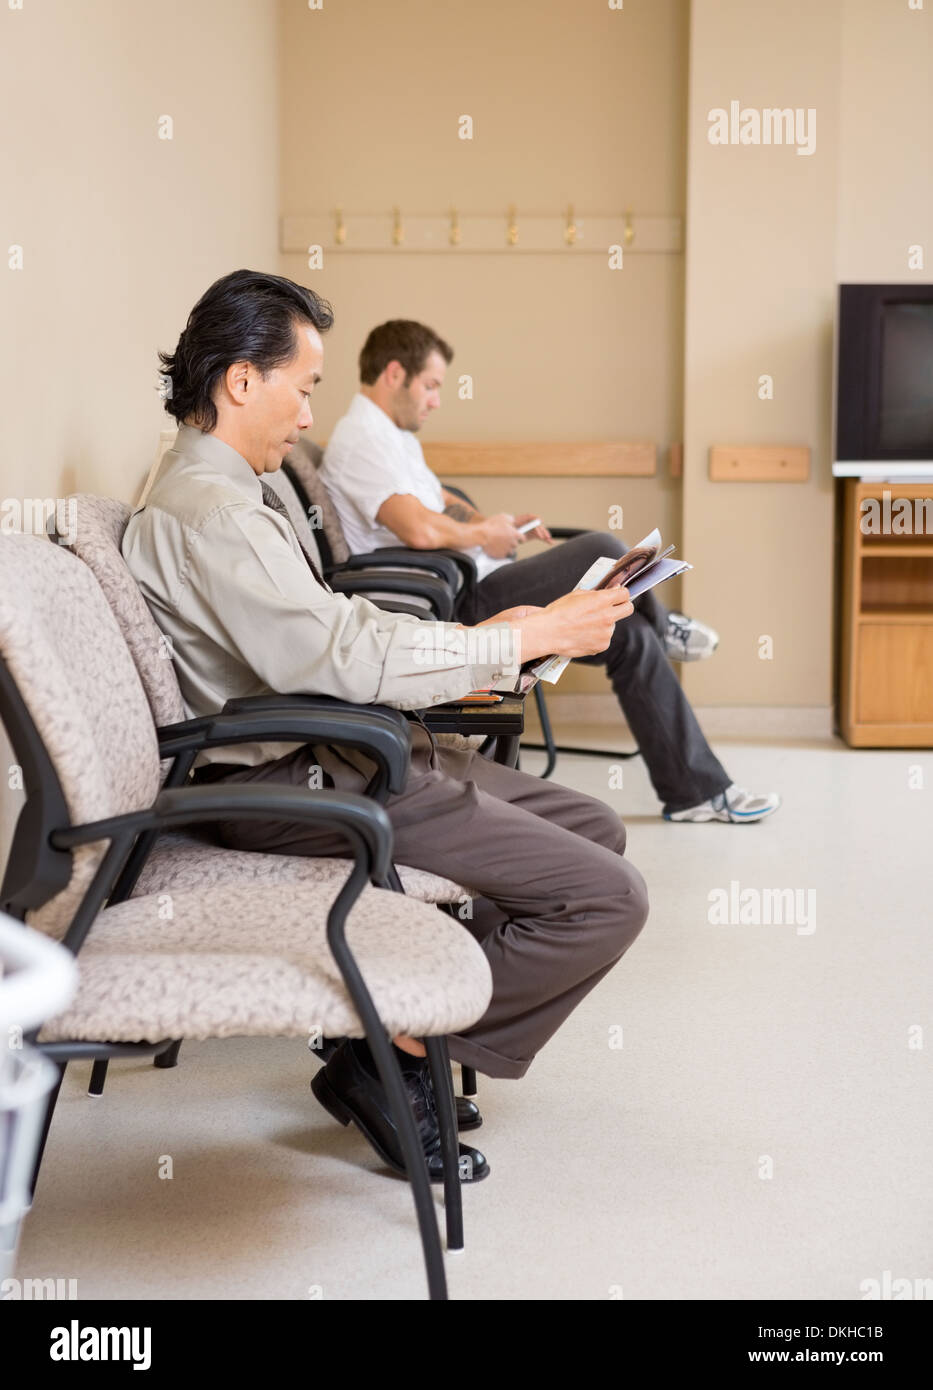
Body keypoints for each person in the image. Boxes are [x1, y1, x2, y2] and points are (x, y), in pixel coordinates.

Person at [123, 269, 649, 1184]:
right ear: (242, 381)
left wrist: (481, 639)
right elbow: (336, 658)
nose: (307, 412)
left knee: (594, 830)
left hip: (332, 745)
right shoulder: (212, 512)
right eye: (305, 385)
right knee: (606, 897)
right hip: (298, 777)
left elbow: (330, 631)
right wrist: (510, 640)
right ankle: (393, 1051)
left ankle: (404, 1026)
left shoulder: (221, 490)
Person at [319, 320, 781, 824]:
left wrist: (485, 521)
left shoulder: (392, 436)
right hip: (453, 606)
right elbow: (421, 530)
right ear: (393, 374)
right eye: (430, 386)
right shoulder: (360, 439)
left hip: (470, 577)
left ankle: (695, 792)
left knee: (630, 637)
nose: (435, 400)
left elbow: (438, 499)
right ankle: (669, 624)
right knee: (603, 547)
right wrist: (483, 536)